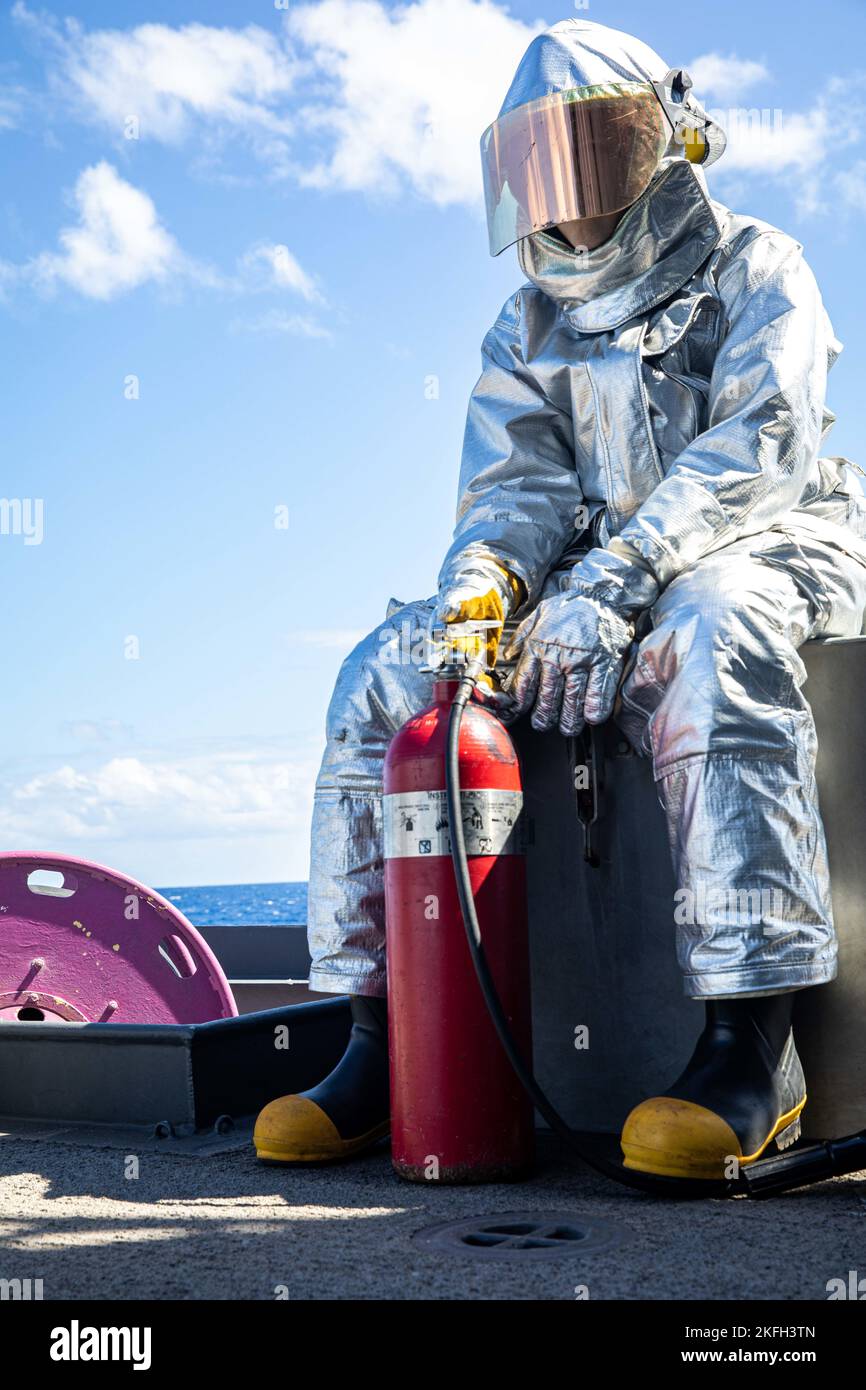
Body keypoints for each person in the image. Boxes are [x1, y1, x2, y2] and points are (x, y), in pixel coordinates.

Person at [254, 19, 866, 1181]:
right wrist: (484, 583)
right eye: (542, 162)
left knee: (712, 626)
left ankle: (749, 1050)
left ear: (663, 139)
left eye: (591, 152)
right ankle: (382, 1044)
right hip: (587, 580)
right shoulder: (525, 321)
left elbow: (759, 445)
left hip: (762, 544)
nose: (566, 192)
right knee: (384, 673)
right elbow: (514, 486)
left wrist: (625, 576)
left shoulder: (756, 263)